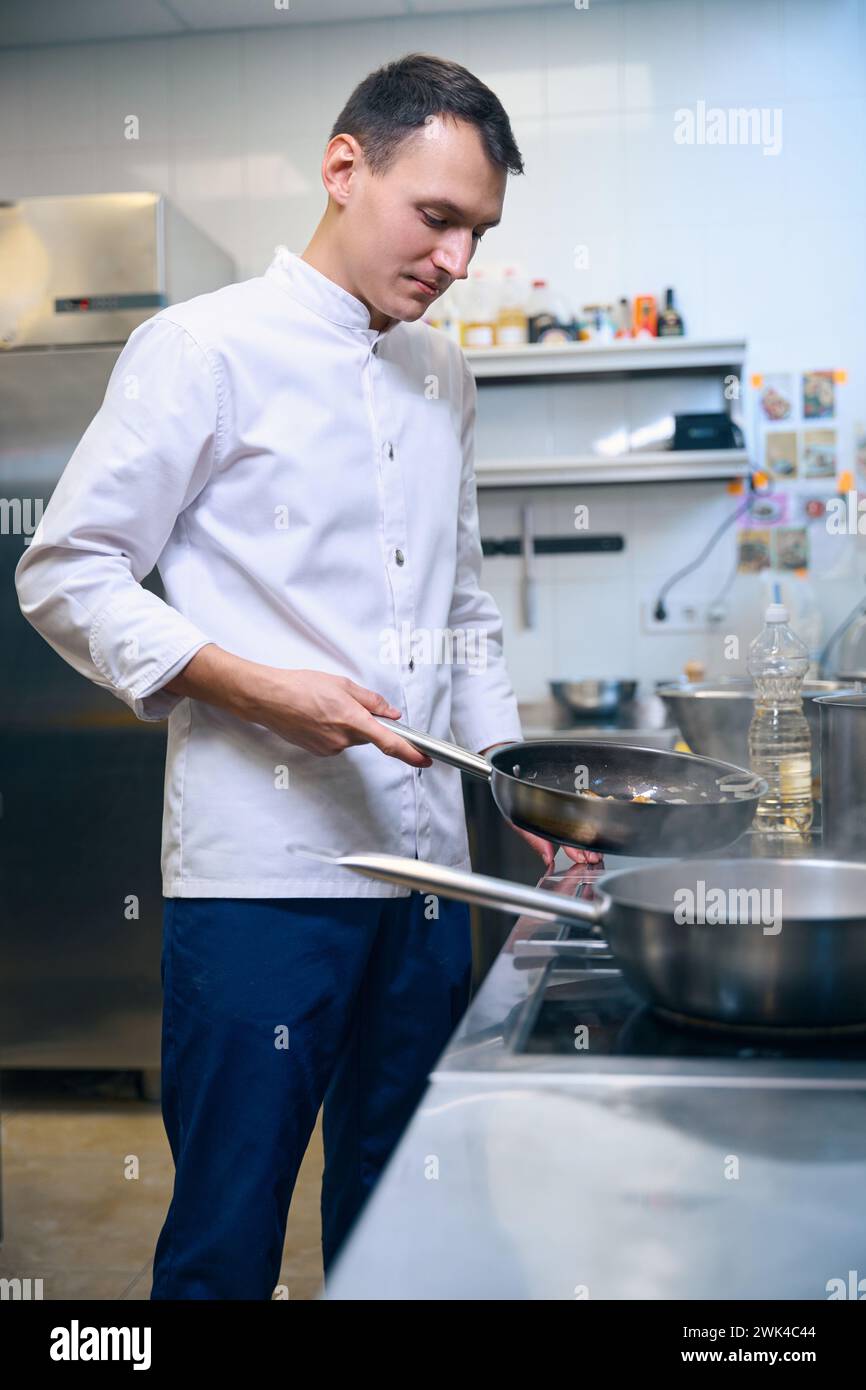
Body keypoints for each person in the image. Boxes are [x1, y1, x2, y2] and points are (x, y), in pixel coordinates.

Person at [15, 51, 599, 1300]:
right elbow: (67, 571)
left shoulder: (444, 372)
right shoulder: (201, 348)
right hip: (263, 882)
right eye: (435, 218)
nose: (455, 262)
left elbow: (459, 607)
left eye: (477, 232)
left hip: (431, 875)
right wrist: (252, 682)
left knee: (404, 1209)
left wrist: (523, 798)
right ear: (343, 168)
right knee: (229, 1231)